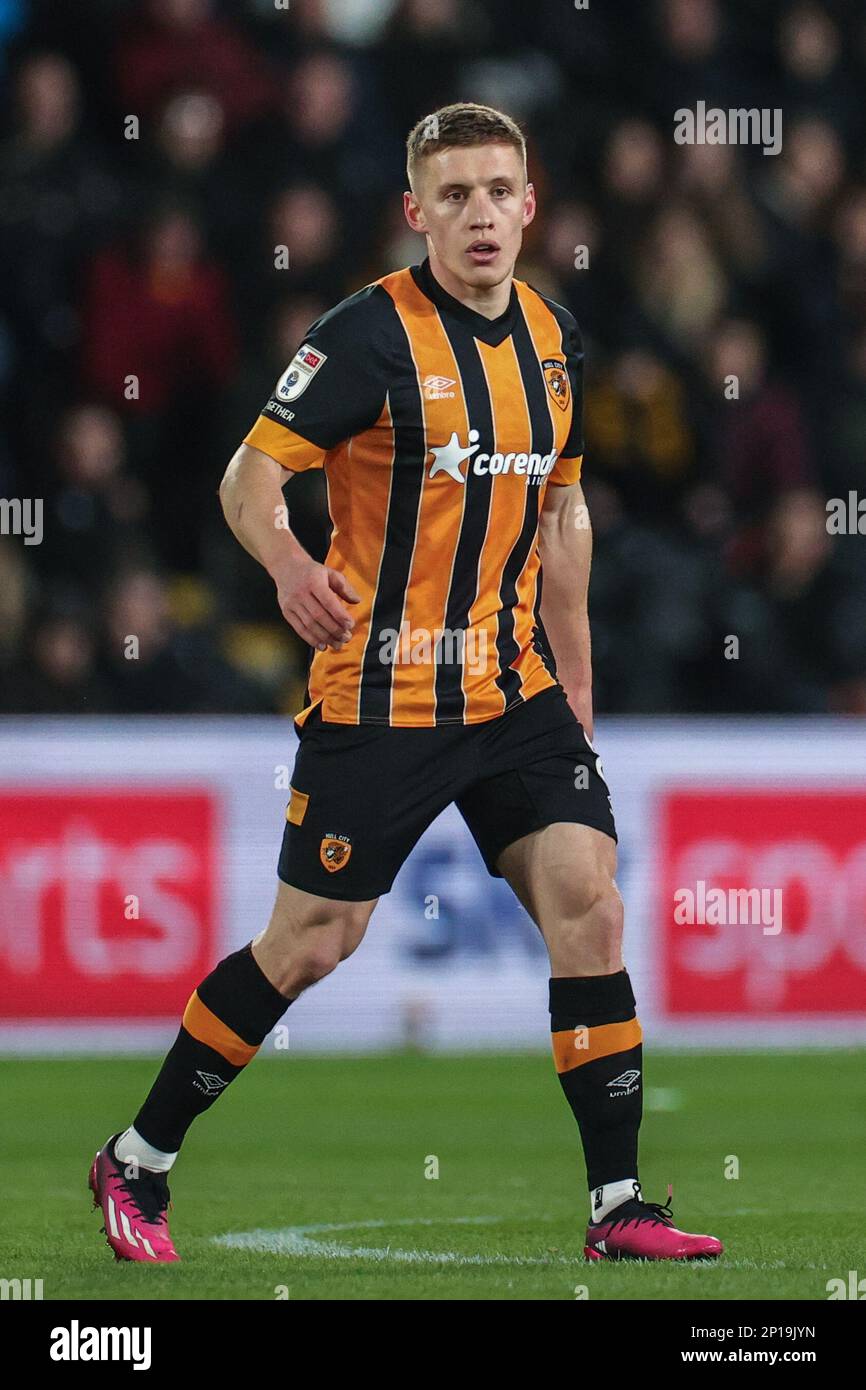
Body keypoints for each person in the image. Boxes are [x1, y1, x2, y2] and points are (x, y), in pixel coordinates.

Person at [88, 102, 722, 1265]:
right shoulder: (365, 337)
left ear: (531, 205)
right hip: (381, 692)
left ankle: (617, 1205)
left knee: (590, 903)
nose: (478, 215)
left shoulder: (555, 339)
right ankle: (139, 1159)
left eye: (497, 192)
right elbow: (247, 477)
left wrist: (573, 682)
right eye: (454, 195)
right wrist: (284, 561)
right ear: (413, 211)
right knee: (312, 942)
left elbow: (561, 513)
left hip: (510, 687)